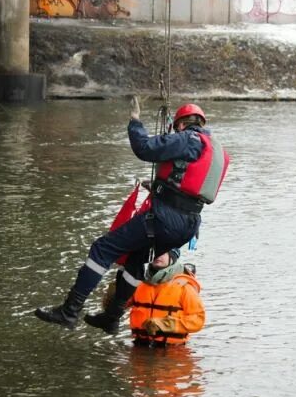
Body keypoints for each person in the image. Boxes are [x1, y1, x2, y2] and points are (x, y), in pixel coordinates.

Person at [35, 97, 229, 335]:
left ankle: (69, 310)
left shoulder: (188, 138)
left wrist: (135, 121)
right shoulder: (216, 149)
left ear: (180, 124)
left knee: (102, 249)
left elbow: (144, 148)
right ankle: (111, 318)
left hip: (164, 219)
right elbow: (191, 185)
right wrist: (159, 187)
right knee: (136, 260)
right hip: (188, 225)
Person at [101, 250, 205, 346]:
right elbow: (114, 308)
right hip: (139, 347)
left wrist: (165, 324)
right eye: (155, 251)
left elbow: (198, 320)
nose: (157, 255)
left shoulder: (185, 287)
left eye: (163, 252)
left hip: (174, 351)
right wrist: (117, 288)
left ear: (172, 257)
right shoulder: (138, 283)